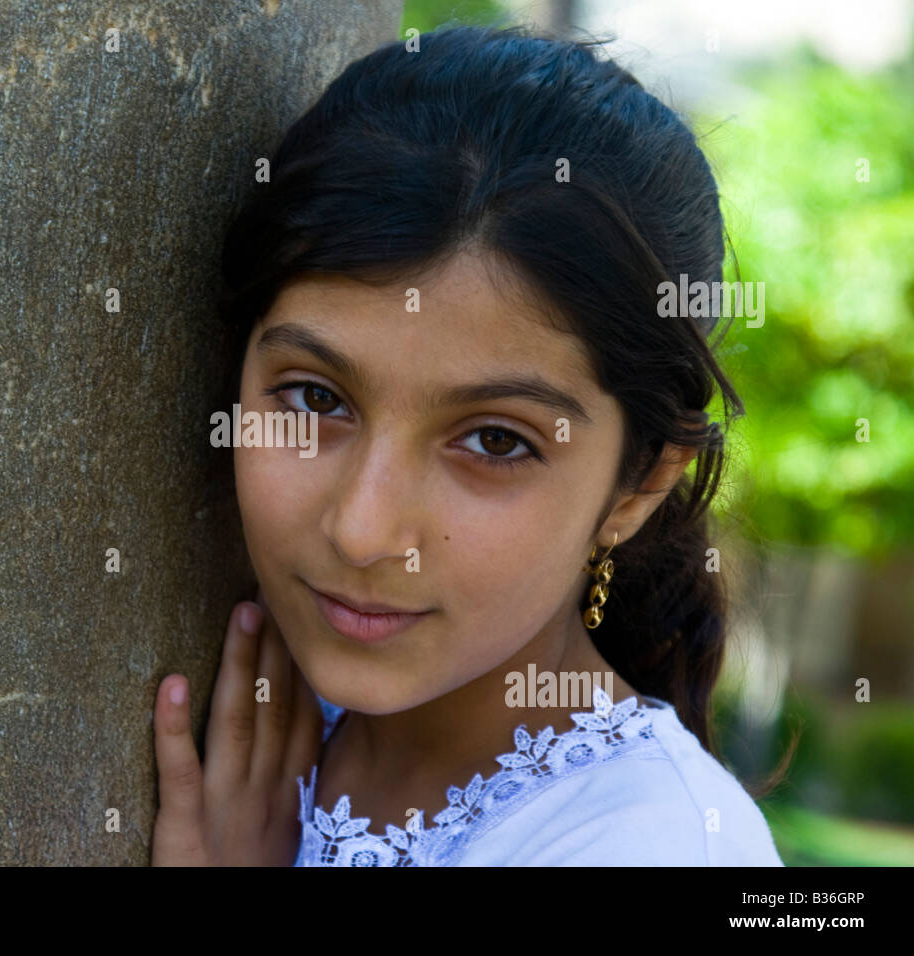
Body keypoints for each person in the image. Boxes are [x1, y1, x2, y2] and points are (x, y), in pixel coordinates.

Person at [151, 24, 784, 866]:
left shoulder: (657, 841)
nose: (363, 530)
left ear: (638, 487)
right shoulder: (270, 719)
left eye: (493, 441)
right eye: (315, 398)